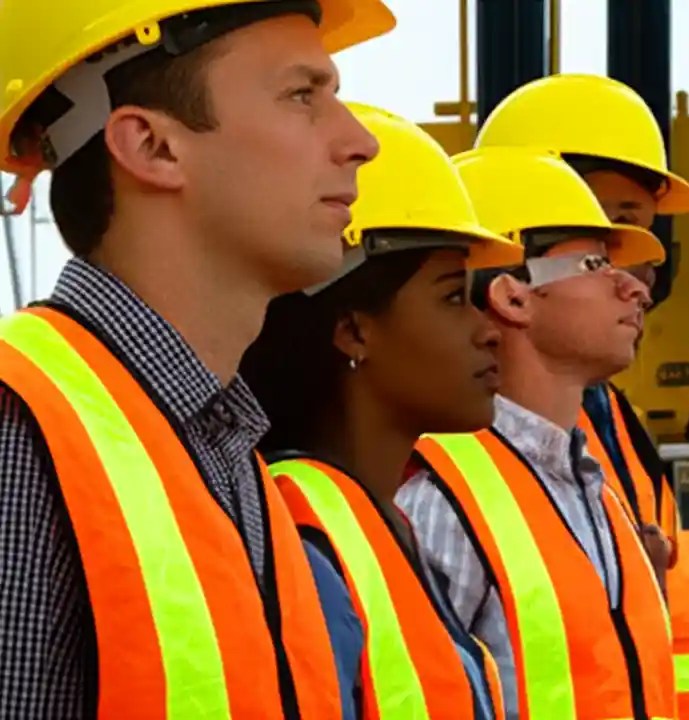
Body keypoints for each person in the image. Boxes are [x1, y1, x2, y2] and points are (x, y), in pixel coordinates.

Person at [0, 0, 394, 716]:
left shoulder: (218, 441)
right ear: (152, 147)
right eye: (303, 96)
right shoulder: (20, 433)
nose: (362, 141)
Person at [473, 72, 689, 718]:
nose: (643, 265)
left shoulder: (609, 420)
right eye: (609, 234)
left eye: (646, 234)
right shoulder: (455, 446)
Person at [240, 102, 521, 719]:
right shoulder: (307, 546)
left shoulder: (375, 521)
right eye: (454, 297)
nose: (490, 329)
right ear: (352, 331)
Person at [397, 145, 678, 720]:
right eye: (597, 266)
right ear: (513, 295)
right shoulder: (441, 503)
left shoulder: (593, 489)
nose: (638, 290)